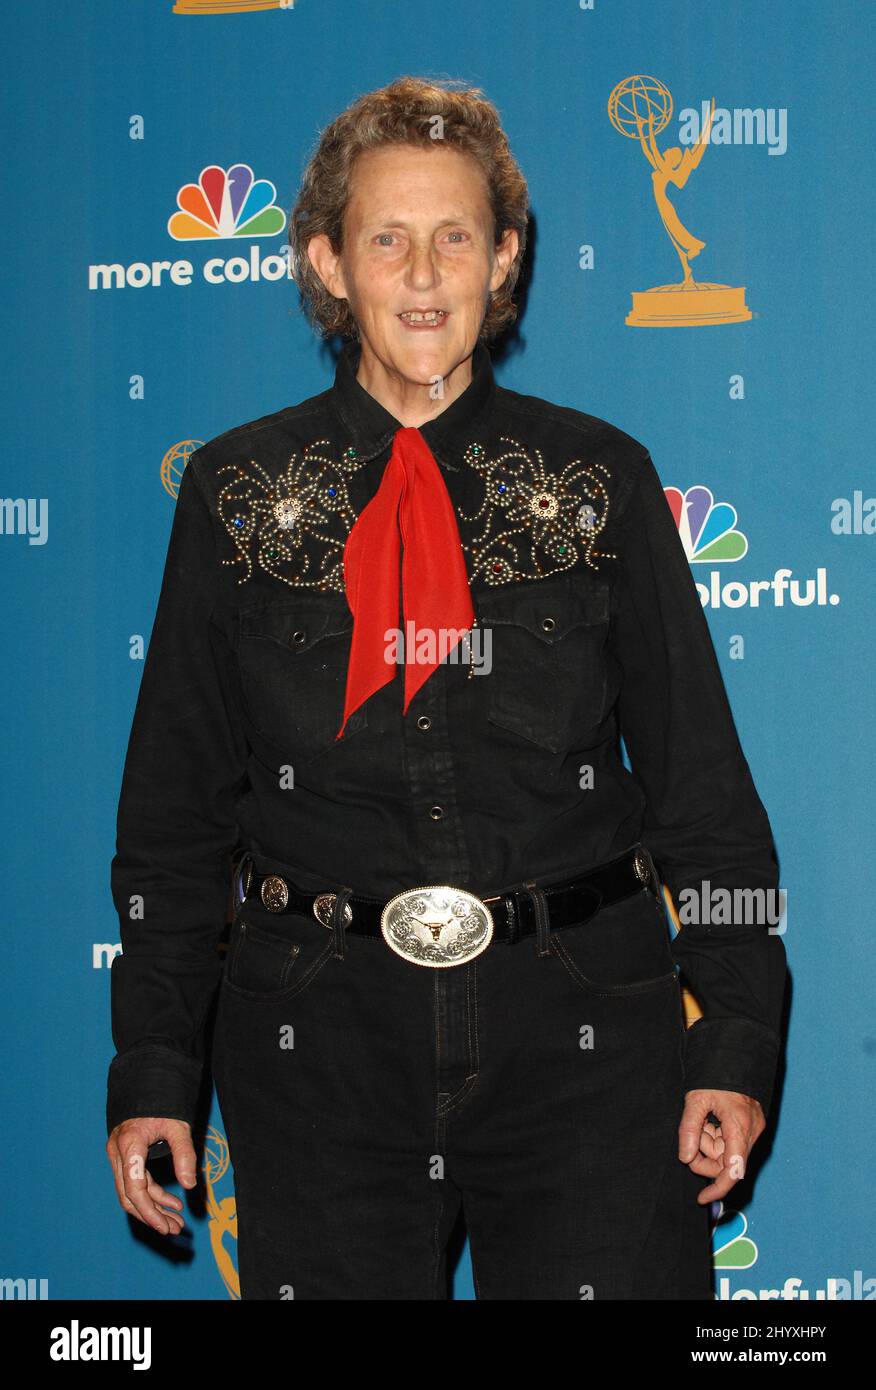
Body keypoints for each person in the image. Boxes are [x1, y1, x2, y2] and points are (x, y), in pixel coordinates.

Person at [105, 75, 787, 1300]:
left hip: (585, 1038)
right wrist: (156, 1064)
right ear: (327, 261)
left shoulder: (598, 482)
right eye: (387, 239)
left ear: (505, 258)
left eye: (456, 237)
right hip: (317, 1045)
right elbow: (174, 820)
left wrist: (734, 1038)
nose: (424, 274)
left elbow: (704, 799)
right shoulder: (233, 495)